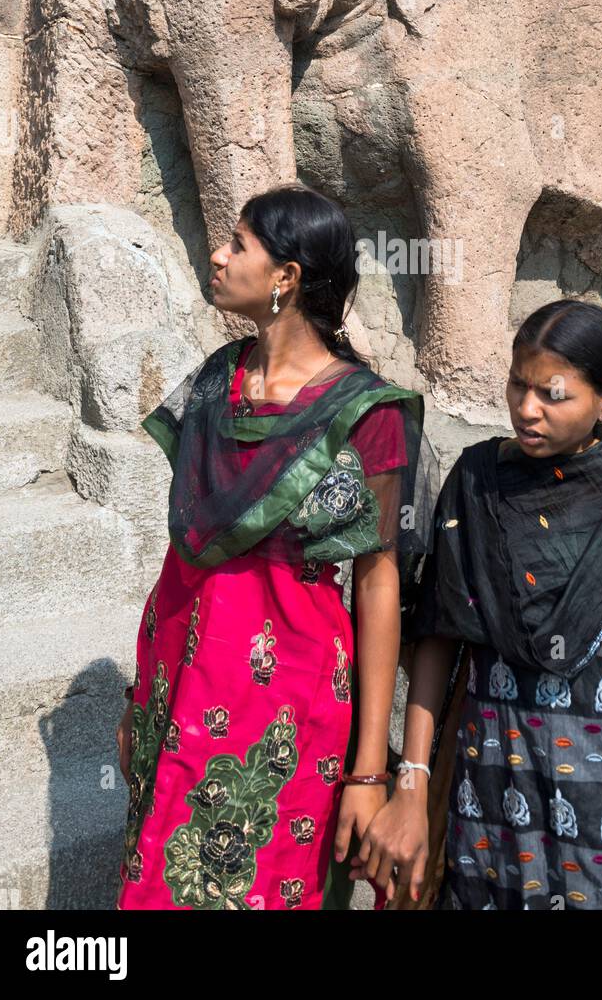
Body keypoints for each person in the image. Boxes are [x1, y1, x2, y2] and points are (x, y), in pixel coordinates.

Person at [115, 184, 437, 910]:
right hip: (177, 674)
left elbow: (378, 582)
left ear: (285, 277)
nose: (219, 255)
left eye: (238, 244)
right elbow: (189, 549)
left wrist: (367, 772)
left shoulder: (364, 411)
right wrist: (140, 697)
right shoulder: (214, 382)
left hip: (282, 700)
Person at [350, 299, 602, 911]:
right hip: (493, 785)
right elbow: (439, 637)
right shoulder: (475, 483)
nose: (527, 409)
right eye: (517, 385)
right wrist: (412, 786)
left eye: (553, 394)